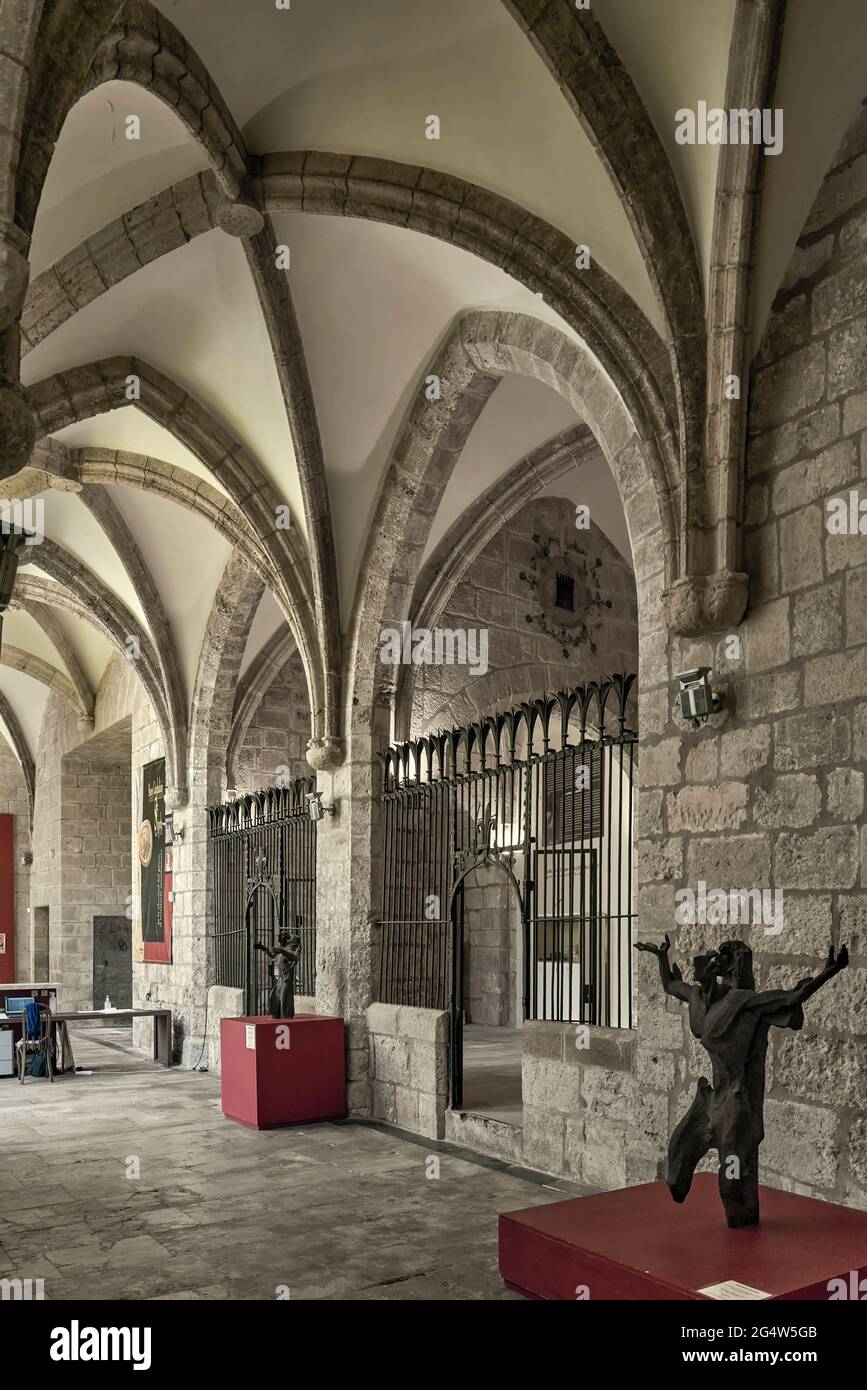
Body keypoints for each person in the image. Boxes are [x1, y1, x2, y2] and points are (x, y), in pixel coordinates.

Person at [634, 934, 848, 1227]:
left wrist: (828, 972)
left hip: (735, 1100)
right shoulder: (697, 998)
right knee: (677, 1160)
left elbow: (789, 998)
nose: (695, 972)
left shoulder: (739, 1002)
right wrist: (660, 957)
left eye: (701, 967)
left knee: (731, 1180)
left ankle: (742, 1217)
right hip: (711, 1099)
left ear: (714, 971)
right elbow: (671, 985)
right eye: (696, 969)